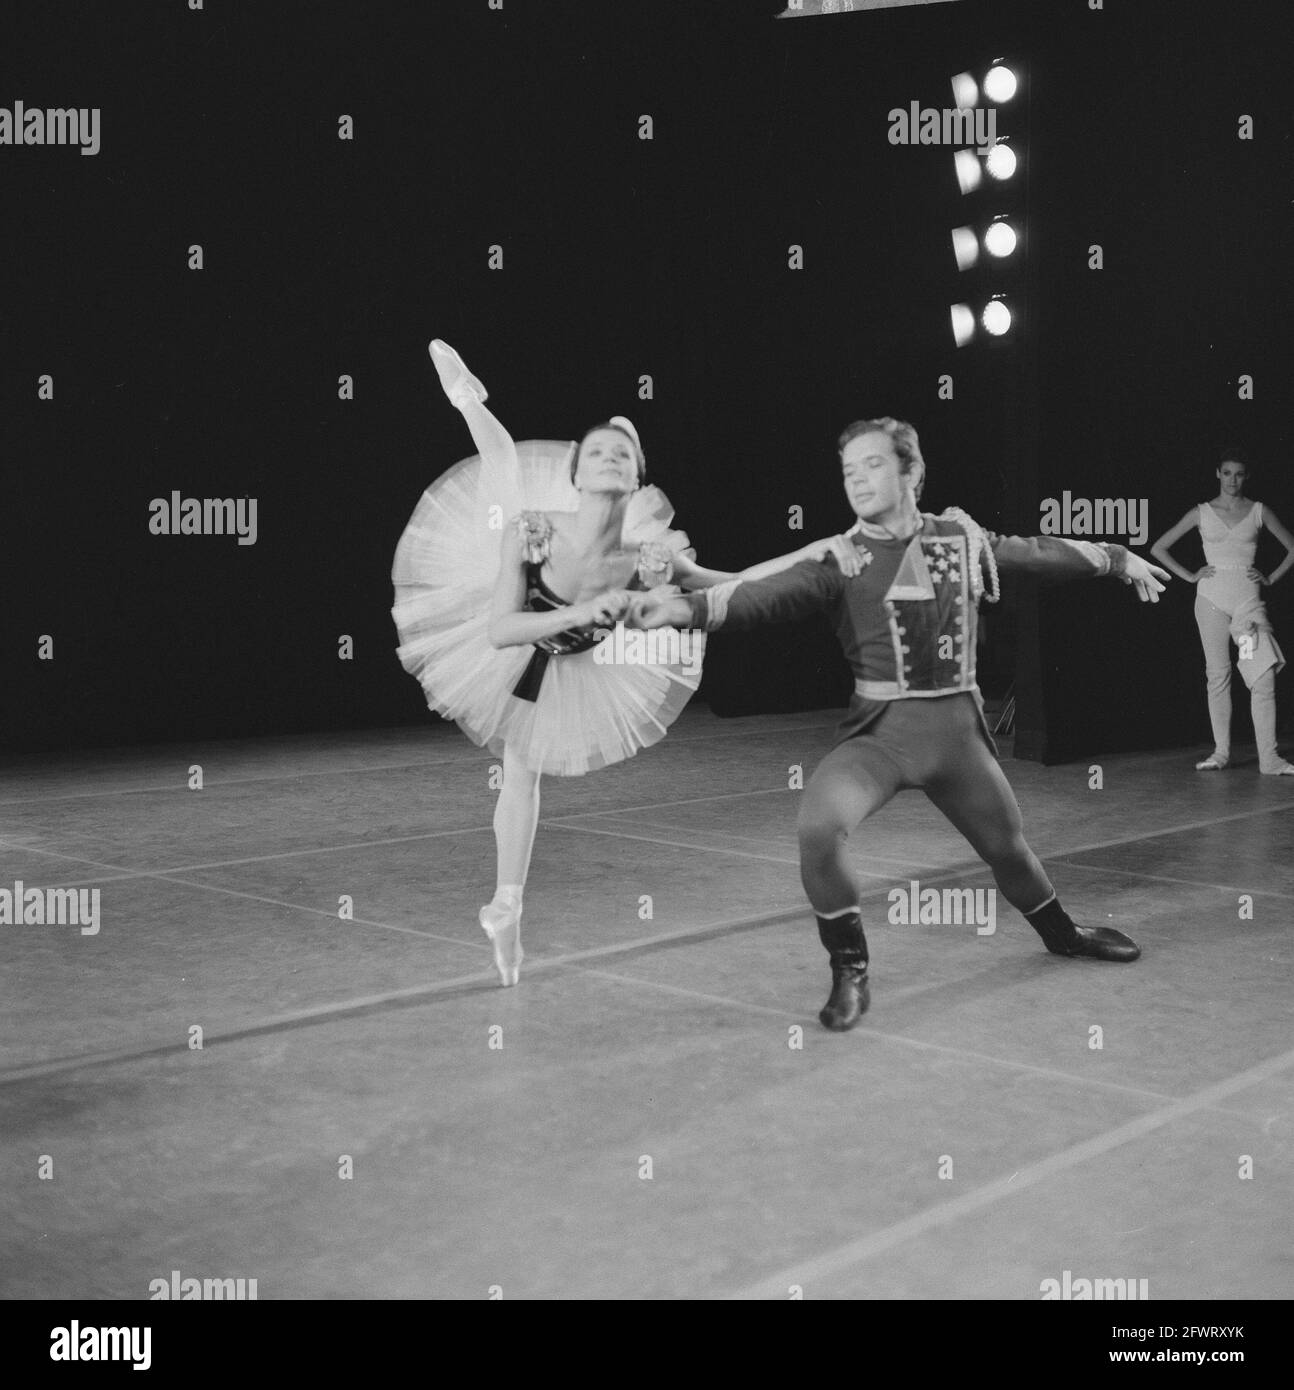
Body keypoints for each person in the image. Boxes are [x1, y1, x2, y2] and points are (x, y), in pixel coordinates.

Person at [627, 417, 1171, 1031]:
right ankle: (850, 970)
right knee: (820, 825)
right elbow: (761, 597)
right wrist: (674, 608)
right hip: (880, 740)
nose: (858, 479)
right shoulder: (839, 557)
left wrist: (1117, 557)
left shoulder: (961, 541)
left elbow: (1037, 553)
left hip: (959, 742)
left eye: (874, 465)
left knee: (1009, 849)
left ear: (912, 471)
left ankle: (1063, 933)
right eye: (848, 470)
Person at [392, 341, 860, 987]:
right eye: (597, 452)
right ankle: (467, 396)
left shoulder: (649, 557)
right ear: (576, 475)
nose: (610, 457)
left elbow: (739, 581)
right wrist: (581, 615)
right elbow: (502, 630)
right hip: (515, 624)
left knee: (522, 770)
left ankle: (507, 907)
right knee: (499, 464)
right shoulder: (535, 531)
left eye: (624, 452)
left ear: (637, 477)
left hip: (571, 662)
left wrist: (815, 553)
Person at [1149, 450, 1294, 774]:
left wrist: (1270, 577)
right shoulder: (1202, 512)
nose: (1233, 480)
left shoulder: (1258, 511)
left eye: (1239, 474)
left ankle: (1269, 759)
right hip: (1211, 604)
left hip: (1247, 609)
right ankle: (1221, 753)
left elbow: (1292, 547)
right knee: (1218, 675)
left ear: (1246, 477)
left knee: (1260, 674)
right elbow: (1158, 546)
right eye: (1227, 473)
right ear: (1218, 474)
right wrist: (1189, 575)